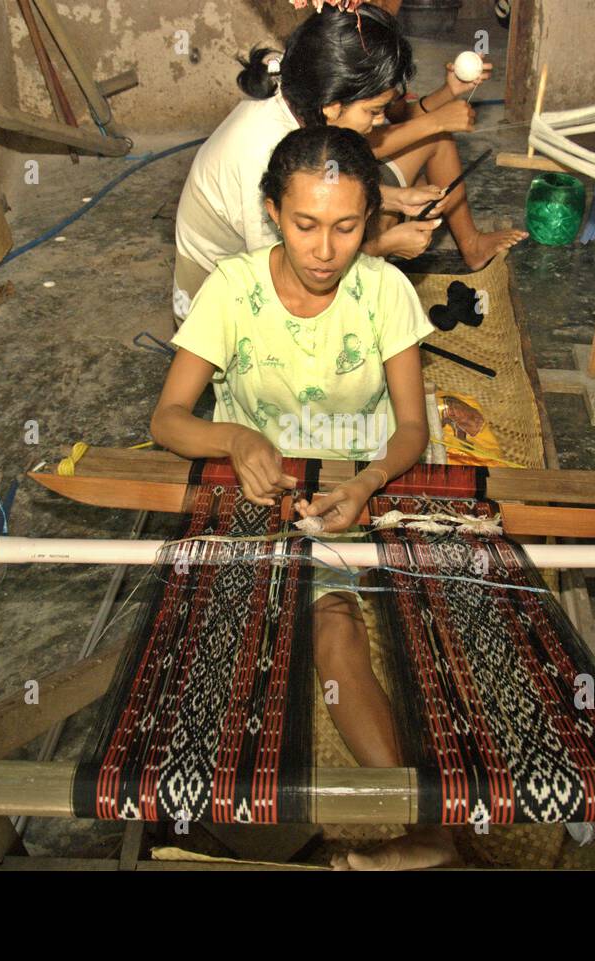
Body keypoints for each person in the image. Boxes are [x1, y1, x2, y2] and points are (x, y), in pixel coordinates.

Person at [153, 125, 456, 869]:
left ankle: (427, 829)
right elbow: (167, 418)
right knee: (269, 631)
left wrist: (364, 482)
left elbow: (412, 426)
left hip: (359, 483)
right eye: (305, 223)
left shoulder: (384, 289)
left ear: (372, 220)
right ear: (271, 213)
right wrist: (234, 439)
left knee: (382, 623)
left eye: (348, 226)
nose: (325, 249)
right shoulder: (232, 290)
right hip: (263, 488)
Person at [173, 2, 524, 324]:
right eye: (373, 111)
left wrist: (395, 198)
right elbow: (290, 278)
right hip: (224, 303)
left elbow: (330, 175)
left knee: (387, 194)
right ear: (332, 107)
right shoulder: (266, 158)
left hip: (275, 256)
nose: (379, 121)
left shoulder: (306, 87)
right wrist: (383, 247)